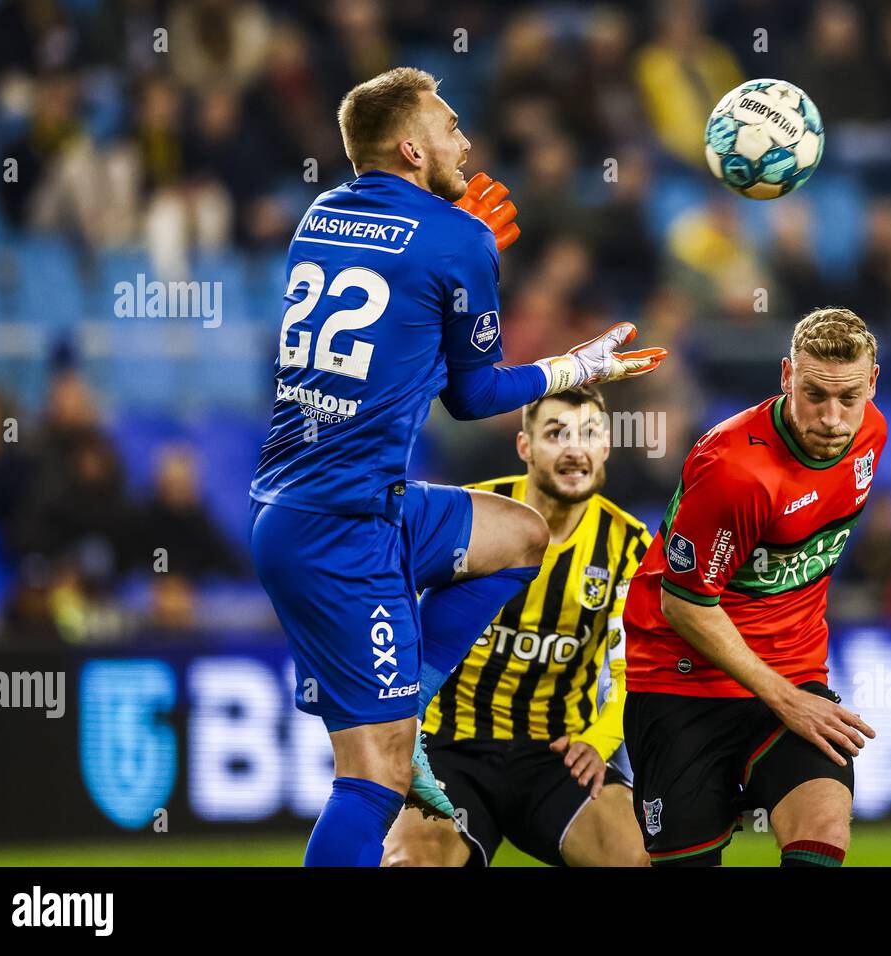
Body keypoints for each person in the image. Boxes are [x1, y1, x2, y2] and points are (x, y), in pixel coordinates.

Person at [248, 67, 665, 866]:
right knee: (374, 778)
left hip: (308, 508)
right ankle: (402, 727)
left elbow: (403, 324)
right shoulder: (458, 239)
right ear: (412, 146)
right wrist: (576, 368)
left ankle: (416, 690)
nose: (465, 141)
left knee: (519, 533)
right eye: (448, 126)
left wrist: (447, 244)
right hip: (344, 531)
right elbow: (473, 397)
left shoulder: (322, 213)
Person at [623, 307, 884, 867]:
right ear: (787, 376)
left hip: (793, 674)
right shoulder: (736, 472)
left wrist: (796, 692)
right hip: (681, 683)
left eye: (849, 398)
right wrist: (785, 698)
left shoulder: (872, 435)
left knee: (823, 825)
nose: (833, 418)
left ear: (872, 383)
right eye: (815, 395)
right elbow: (684, 603)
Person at [384, 386, 650, 866]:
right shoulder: (471, 514)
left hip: (558, 755)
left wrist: (602, 738)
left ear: (606, 446)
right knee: (409, 864)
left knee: (637, 858)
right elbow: (394, 601)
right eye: (556, 434)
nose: (575, 448)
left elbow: (630, 666)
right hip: (449, 750)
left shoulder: (629, 544)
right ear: (525, 446)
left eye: (589, 434)